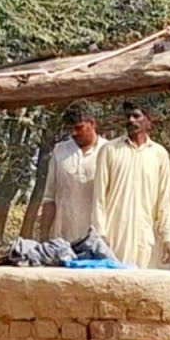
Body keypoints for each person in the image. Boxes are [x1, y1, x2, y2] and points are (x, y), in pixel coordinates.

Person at [91, 102, 170, 268]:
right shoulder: (110, 150)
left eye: (136, 116)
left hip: (145, 234)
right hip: (114, 234)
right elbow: (99, 197)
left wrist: (168, 238)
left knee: (143, 285)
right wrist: (100, 234)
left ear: (148, 121)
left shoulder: (159, 154)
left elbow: (165, 199)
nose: (131, 120)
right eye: (128, 116)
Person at [40, 103, 107, 241]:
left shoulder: (108, 151)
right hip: (63, 238)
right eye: (70, 129)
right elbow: (49, 198)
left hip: (99, 238)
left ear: (92, 123)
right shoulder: (60, 151)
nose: (73, 133)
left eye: (78, 127)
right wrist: (44, 236)